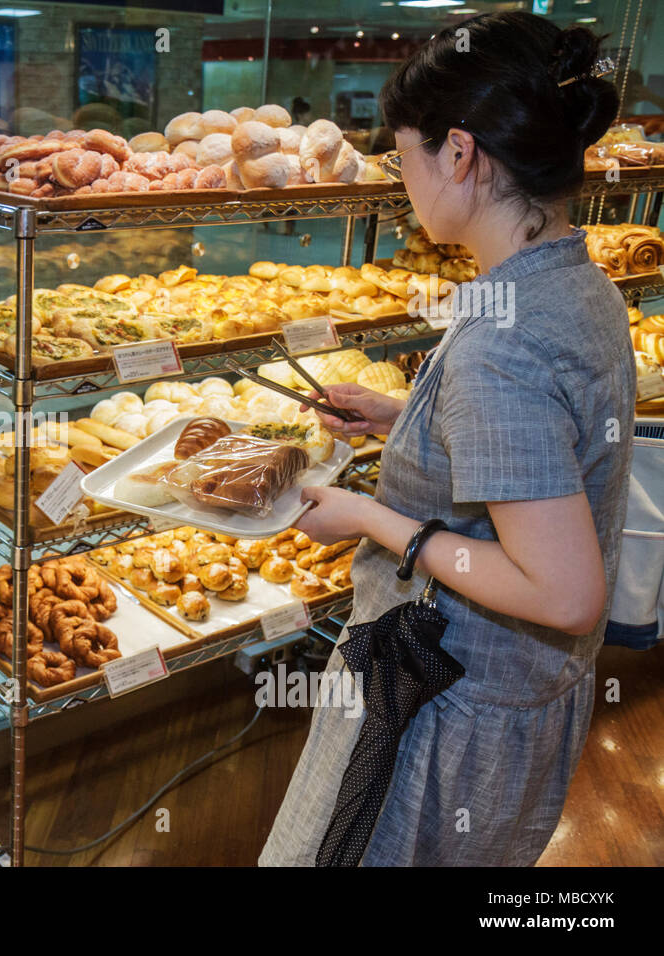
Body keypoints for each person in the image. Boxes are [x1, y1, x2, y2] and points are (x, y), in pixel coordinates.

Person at [260, 11, 632, 866]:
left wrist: (368, 516)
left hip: (444, 705)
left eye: (404, 157)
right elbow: (550, 444)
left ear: (460, 154)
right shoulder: (577, 283)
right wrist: (409, 419)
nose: (402, 182)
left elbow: (563, 591)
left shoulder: (504, 338)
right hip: (524, 695)